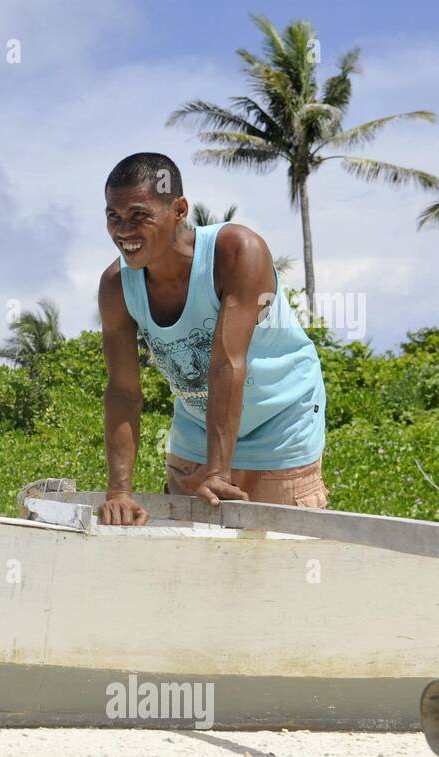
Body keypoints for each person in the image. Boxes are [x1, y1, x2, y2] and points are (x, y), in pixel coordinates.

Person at [97, 152, 328, 526]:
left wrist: (217, 474)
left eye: (139, 216)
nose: (124, 231)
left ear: (179, 210)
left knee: (281, 565)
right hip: (197, 434)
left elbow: (226, 364)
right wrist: (120, 492)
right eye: (114, 217)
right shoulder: (116, 286)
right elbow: (123, 391)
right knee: (190, 567)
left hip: (280, 429)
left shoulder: (236, 252)